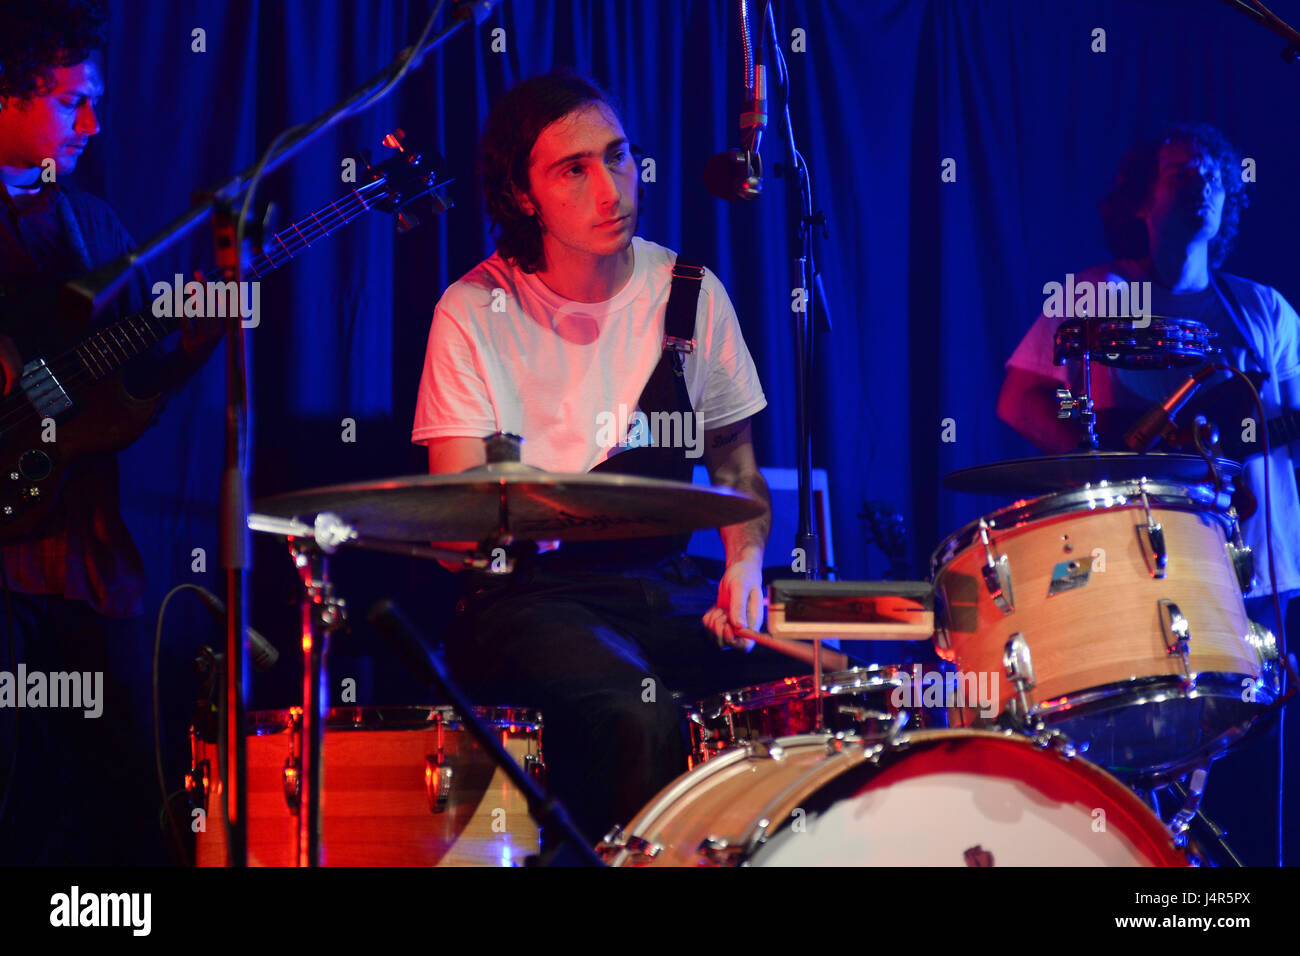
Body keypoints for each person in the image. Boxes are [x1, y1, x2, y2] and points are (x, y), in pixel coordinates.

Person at [411, 69, 797, 856]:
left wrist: (746, 567)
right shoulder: (470, 313)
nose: (611, 187)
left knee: (808, 685)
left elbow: (736, 469)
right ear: (523, 196)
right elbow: (456, 514)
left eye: (618, 157)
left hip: (661, 583)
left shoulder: (689, 292)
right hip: (528, 600)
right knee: (633, 709)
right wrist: (476, 531)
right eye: (573, 170)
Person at [997, 122, 1299, 865]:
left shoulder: (1264, 310)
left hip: (1255, 568)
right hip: (1132, 561)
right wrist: (1092, 455)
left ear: (1230, 197)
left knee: (1253, 769)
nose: (1198, 183)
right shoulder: (1094, 294)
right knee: (1136, 756)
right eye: (1177, 173)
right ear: (1142, 198)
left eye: (1211, 175)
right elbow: (1018, 396)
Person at [0, 0, 223, 864]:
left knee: (125, 809)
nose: (93, 123)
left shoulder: (96, 230)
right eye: (69, 101)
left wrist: (184, 356)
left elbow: (112, 403)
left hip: (87, 561)